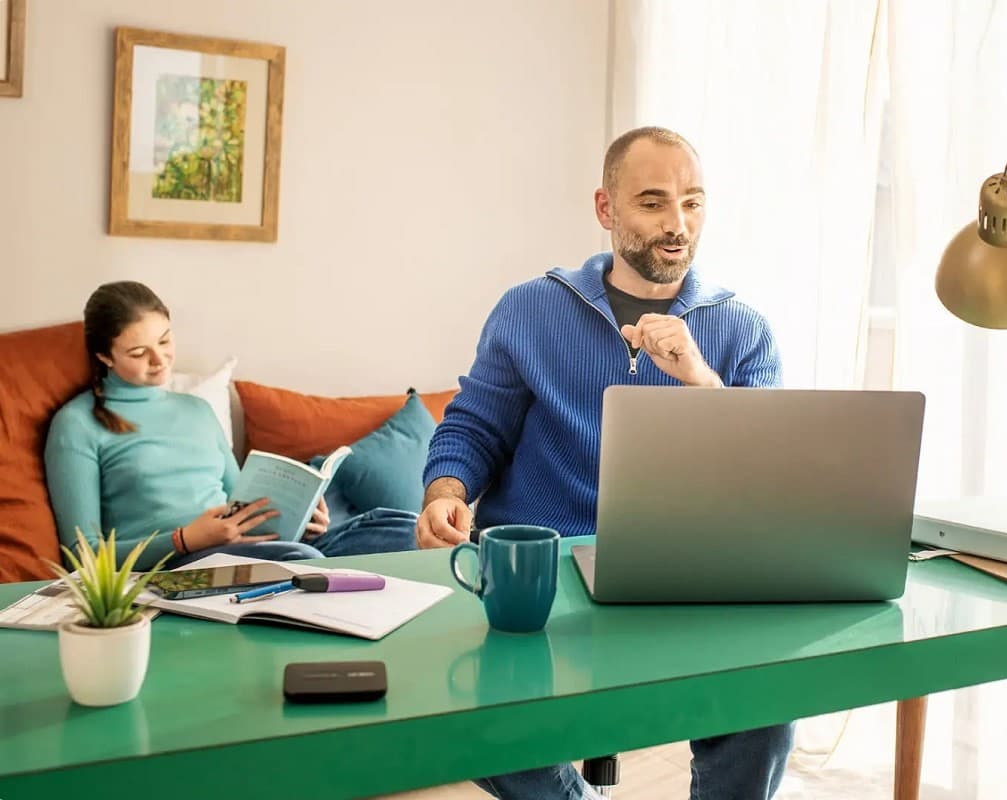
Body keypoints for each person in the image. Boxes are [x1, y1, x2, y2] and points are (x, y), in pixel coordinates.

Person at [417, 127, 794, 799]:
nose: (677, 224)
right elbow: (474, 426)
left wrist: (701, 380)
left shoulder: (744, 330)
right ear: (605, 208)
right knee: (464, 716)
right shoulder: (530, 309)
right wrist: (446, 491)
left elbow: (765, 481)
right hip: (544, 578)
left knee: (766, 709)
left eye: (693, 202)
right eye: (653, 202)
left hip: (684, 581)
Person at [45, 281, 417, 571]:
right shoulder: (77, 425)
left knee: (404, 529)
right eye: (139, 353)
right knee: (300, 562)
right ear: (104, 356)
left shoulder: (196, 411)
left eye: (165, 340)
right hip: (176, 568)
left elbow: (242, 503)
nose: (159, 360)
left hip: (248, 550)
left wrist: (299, 519)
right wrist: (184, 539)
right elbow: (82, 556)